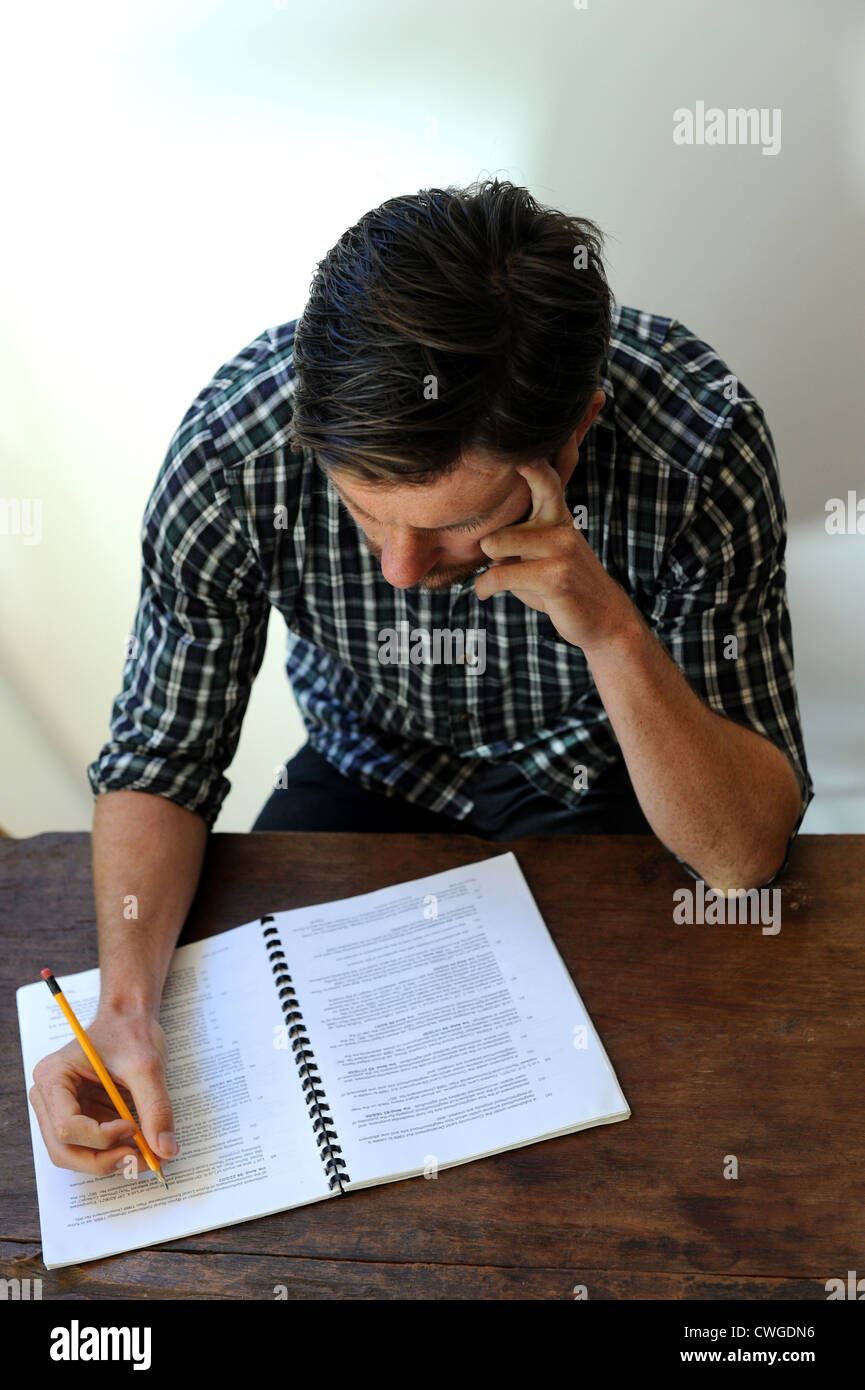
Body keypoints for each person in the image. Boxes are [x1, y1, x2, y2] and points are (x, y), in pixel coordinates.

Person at [29, 178, 812, 1178]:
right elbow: (163, 755)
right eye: (366, 511)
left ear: (574, 431)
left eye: (449, 522)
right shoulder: (237, 445)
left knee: (659, 1115)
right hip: (364, 764)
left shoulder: (698, 445)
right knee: (260, 1107)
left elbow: (742, 857)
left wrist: (612, 629)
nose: (401, 568)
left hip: (597, 762)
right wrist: (121, 1013)